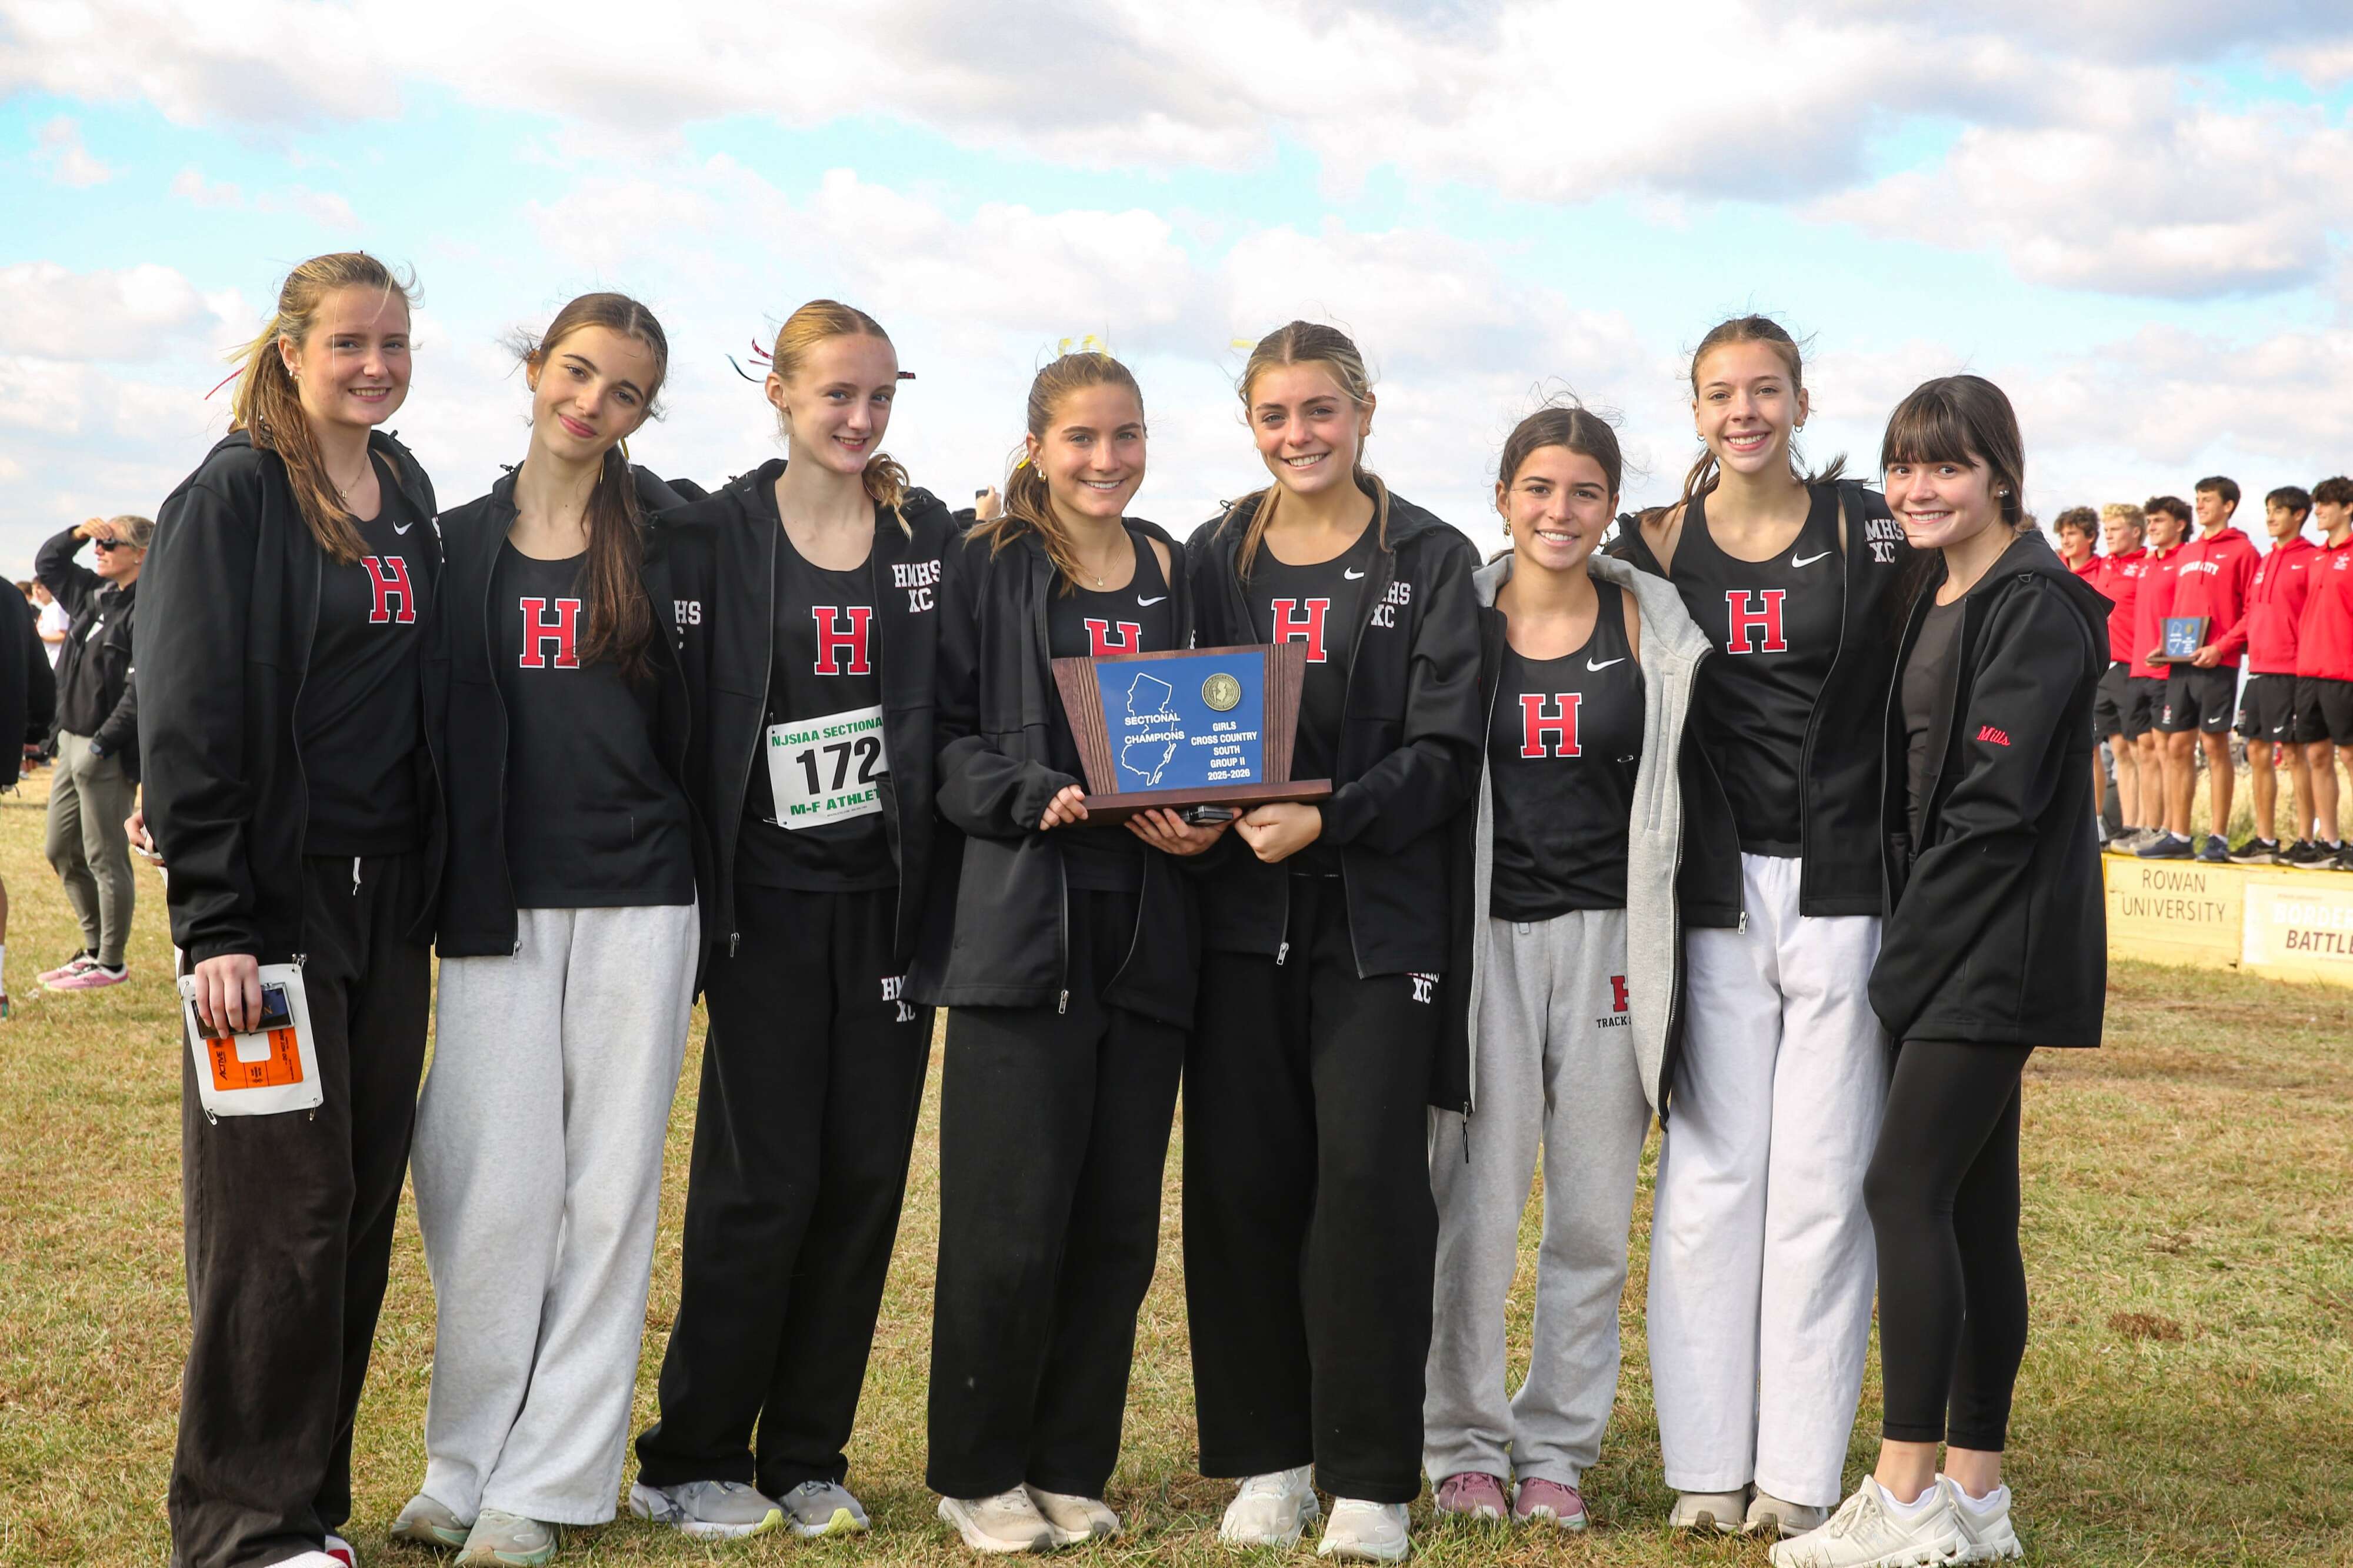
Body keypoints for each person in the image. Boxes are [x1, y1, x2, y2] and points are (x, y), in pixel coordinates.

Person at [630, 301, 958, 1544]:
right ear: (779, 389)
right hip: (762, 909)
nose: (860, 420)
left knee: (863, 1182)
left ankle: (807, 1453)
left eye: (880, 398)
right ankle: (691, 1454)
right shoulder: (710, 533)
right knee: (758, 1188)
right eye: (837, 396)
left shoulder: (925, 537)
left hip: (886, 910)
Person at [1773, 374, 2105, 1568]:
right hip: (1948, 939)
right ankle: (1976, 1493)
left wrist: (1897, 965)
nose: (1917, 487)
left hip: (1985, 949)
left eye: (1945, 466)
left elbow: (1991, 810)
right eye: (1902, 464)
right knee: (1971, 1208)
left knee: (1899, 1191)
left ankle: (1903, 1497)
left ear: (1999, 475)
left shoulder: (2037, 605)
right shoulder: (1937, 582)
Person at [389, 295, 700, 1567]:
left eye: (623, 390)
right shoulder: (452, 546)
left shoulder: (676, 538)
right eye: (578, 371)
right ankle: (462, 1465)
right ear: (534, 369)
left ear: (642, 412)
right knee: (482, 1187)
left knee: (605, 1192)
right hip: (491, 901)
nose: (592, 402)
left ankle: (551, 1486)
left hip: (643, 894)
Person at [142, 252, 440, 1568]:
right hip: (273, 922)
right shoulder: (234, 496)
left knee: (361, 1209)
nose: (373, 364)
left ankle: (308, 1502)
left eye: (393, 341)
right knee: (276, 1223)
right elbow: (191, 717)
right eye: (349, 344)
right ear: (292, 347)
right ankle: (240, 1526)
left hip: (391, 910)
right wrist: (218, 923)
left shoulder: (409, 488)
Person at [1181, 321, 1482, 1565]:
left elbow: (1442, 750)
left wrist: (1328, 817)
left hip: (1375, 923)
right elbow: (1173, 719)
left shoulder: (1432, 555)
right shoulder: (1210, 555)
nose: (1296, 434)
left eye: (1318, 410)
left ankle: (1369, 1479)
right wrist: (1189, 806)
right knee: (1243, 1183)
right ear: (1249, 424)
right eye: (1273, 415)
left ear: (1363, 411)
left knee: (1364, 1186)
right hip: (1237, 922)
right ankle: (1270, 1458)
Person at [914, 350, 1223, 1554]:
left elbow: (1213, 722)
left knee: (1112, 1221)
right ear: (1037, 443)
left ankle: (1064, 1461)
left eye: (1126, 436)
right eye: (1082, 439)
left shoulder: (1176, 568)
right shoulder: (985, 564)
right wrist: (1022, 789)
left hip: (1145, 931)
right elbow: (936, 741)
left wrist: (1201, 814)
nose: (1106, 460)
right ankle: (976, 1470)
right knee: (1007, 1217)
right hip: (1019, 933)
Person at [1613, 314, 1914, 1539]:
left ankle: (1794, 1467)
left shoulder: (1867, 526)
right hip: (1707, 888)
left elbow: (1964, 606)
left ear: (1799, 397)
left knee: (1820, 1181)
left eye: (1763, 390)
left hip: (1845, 883)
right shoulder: (1647, 543)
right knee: (1710, 1175)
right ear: (1692, 411)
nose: (1742, 411)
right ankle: (1703, 1464)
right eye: (1719, 394)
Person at [1422, 406, 1707, 1533]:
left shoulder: (1648, 621)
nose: (1560, 512)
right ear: (1504, 497)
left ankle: (1557, 1449)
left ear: (1609, 505)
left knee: (1590, 1214)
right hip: (1487, 935)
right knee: (1477, 1209)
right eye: (1539, 489)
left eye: (1584, 492)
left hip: (1609, 940)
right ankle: (1463, 1442)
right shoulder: (1461, 619)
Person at [34, 512, 148, 990]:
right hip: (72, 741)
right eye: (98, 544)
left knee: (105, 856)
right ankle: (93, 947)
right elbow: (49, 562)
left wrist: (102, 745)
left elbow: (139, 692)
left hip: (106, 750)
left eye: (111, 543)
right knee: (60, 849)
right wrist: (81, 532)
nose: (100, 551)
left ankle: (111, 961)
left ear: (141, 553)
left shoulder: (149, 607)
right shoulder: (94, 593)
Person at [2148, 478, 2256, 862]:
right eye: (2197, 500)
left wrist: (2221, 647)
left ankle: (2219, 837)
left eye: (2208, 500)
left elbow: (2251, 612)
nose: (2200, 506)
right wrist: (2166, 648)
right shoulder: (2187, 551)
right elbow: (2182, 607)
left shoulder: (2244, 551)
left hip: (2218, 664)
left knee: (2214, 745)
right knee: (2176, 745)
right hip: (2180, 663)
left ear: (2228, 506)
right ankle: (2178, 834)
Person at [2231, 486, 2319, 863]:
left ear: (2299, 515)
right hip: (2259, 671)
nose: (2270, 517)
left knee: (2297, 754)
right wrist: (2221, 646)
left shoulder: (2312, 558)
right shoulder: (2265, 561)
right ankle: (2266, 840)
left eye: (2278, 510)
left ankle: (2307, 839)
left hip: (2295, 671)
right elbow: (2250, 614)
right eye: (2268, 510)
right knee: (2255, 751)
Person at [2293, 478, 2353, 868]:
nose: (2318, 512)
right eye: (2316, 505)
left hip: (2344, 671)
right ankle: (2328, 842)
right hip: (2308, 671)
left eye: (2325, 505)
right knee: (2316, 754)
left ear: (2348, 508)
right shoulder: (2315, 557)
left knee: (2349, 755)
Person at [2087, 505, 2153, 849]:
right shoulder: (2104, 566)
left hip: (2133, 665)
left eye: (2116, 529)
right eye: (2106, 529)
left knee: (2137, 749)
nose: (2108, 535)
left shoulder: (2147, 566)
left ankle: (2142, 823)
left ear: (2136, 532)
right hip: (2105, 668)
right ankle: (2118, 824)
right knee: (2109, 748)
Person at [2128, 496, 2191, 858]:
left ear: (2179, 525)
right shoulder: (2148, 563)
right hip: (2136, 668)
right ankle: (2151, 826)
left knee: (2169, 750)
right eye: (2149, 521)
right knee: (2143, 751)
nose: (2151, 527)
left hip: (2169, 668)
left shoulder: (2185, 560)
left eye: (2158, 521)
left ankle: (2172, 827)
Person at [31, 578, 68, 668]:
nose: (36, 592)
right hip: (47, 661)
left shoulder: (56, 608)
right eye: (34, 588)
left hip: (56, 661)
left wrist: (41, 638)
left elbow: (65, 636)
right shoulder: (45, 609)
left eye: (39, 588)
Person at [2052, 506, 2097, 576]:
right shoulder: (2051, 568)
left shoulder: (2107, 571)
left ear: (2090, 536)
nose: (2065, 541)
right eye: (2062, 536)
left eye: (2071, 534)